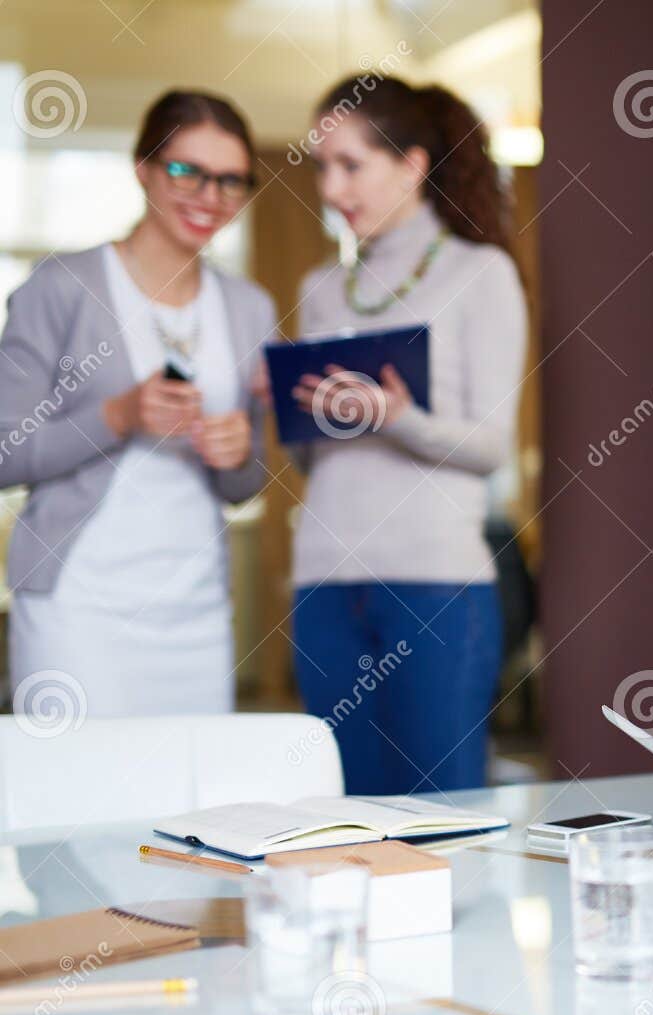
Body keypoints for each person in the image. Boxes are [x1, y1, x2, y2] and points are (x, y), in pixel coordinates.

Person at [290, 76, 527, 795]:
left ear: (412, 165)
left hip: (437, 585)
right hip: (324, 581)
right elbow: (311, 460)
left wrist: (400, 419)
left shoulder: (480, 274)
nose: (332, 187)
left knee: (442, 816)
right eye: (322, 167)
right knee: (347, 812)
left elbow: (492, 446)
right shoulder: (318, 289)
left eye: (351, 165)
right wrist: (293, 408)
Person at [0, 90, 270, 716]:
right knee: (79, 803)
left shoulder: (249, 307)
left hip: (197, 611)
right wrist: (117, 417)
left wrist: (237, 455)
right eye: (186, 171)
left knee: (192, 811)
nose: (210, 197)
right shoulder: (62, 286)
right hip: (77, 608)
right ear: (143, 167)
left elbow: (245, 485)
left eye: (231, 181)